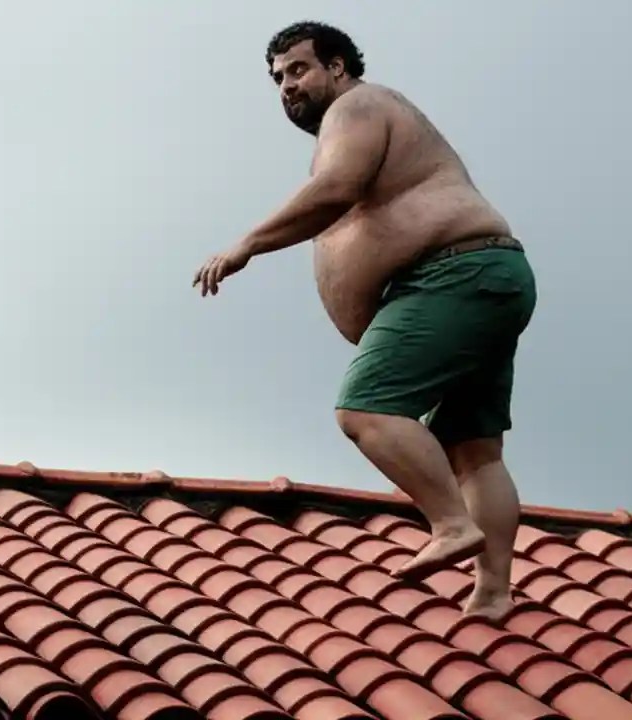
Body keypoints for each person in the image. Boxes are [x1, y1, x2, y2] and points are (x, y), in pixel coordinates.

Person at [192, 21, 537, 621]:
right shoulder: (362, 117)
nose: (286, 85)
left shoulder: (357, 105)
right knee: (475, 450)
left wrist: (248, 243)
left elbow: (337, 188)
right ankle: (492, 594)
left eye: (299, 69)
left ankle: (451, 524)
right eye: (278, 78)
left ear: (338, 67)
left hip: (450, 275)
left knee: (366, 409)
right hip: (488, 278)